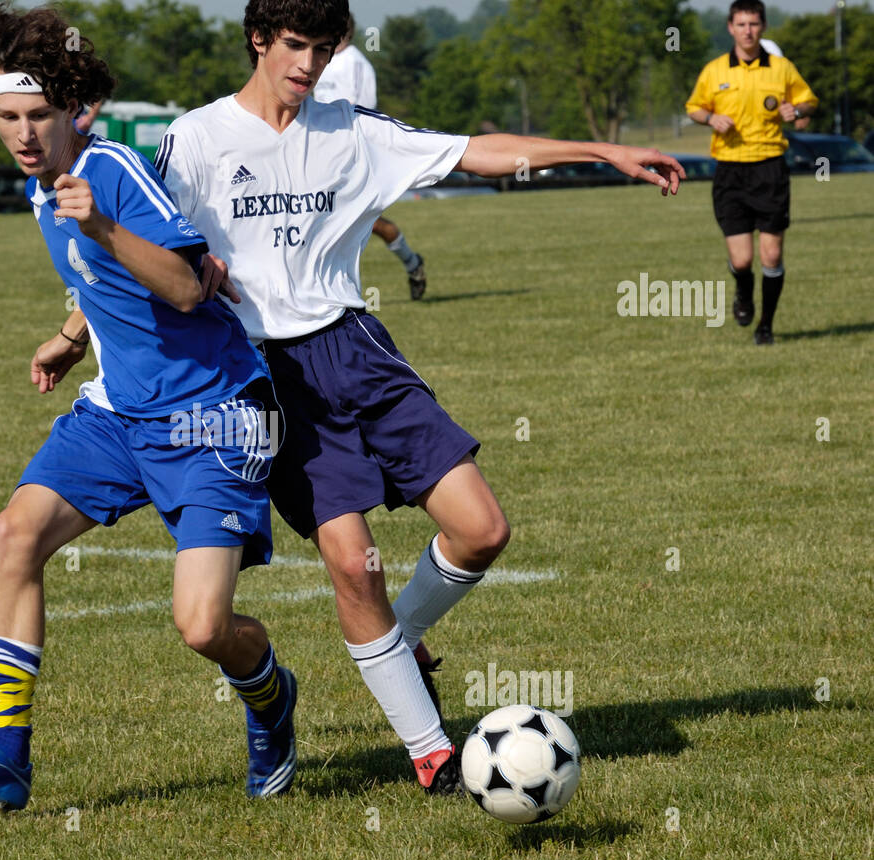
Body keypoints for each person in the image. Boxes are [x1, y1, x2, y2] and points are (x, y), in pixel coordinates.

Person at [140, 0, 681, 795]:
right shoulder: (196, 138)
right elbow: (135, 242)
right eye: (295, 45)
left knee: (483, 529)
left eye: (323, 49)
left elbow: (476, 152)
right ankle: (431, 753)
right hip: (269, 378)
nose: (309, 64)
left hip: (358, 352)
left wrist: (599, 149)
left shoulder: (352, 130)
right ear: (258, 40)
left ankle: (402, 637)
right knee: (354, 565)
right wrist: (75, 330)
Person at [0, 4, 297, 811]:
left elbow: (189, 287)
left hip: (213, 417)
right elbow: (95, 276)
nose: (21, 134)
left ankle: (272, 697)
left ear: (72, 109)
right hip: (119, 417)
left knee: (202, 627)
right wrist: (69, 333)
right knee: (13, 533)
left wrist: (107, 226)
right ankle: (6, 756)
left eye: (37, 116)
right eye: (5, 117)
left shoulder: (111, 169)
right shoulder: (40, 187)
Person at [685, 0, 817, 345]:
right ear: (730, 27)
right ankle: (744, 294)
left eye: (754, 24)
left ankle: (766, 326)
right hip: (729, 171)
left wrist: (796, 109)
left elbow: (808, 102)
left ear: (763, 27)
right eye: (741, 24)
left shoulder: (781, 68)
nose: (748, 31)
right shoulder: (714, 70)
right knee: (741, 260)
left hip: (770, 168)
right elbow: (694, 108)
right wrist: (710, 118)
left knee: (771, 255)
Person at [313, 15, 427, 300]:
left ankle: (412, 263)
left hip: (349, 156)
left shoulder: (357, 64)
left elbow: (366, 115)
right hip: (320, 153)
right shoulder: (318, 61)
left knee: (364, 222)